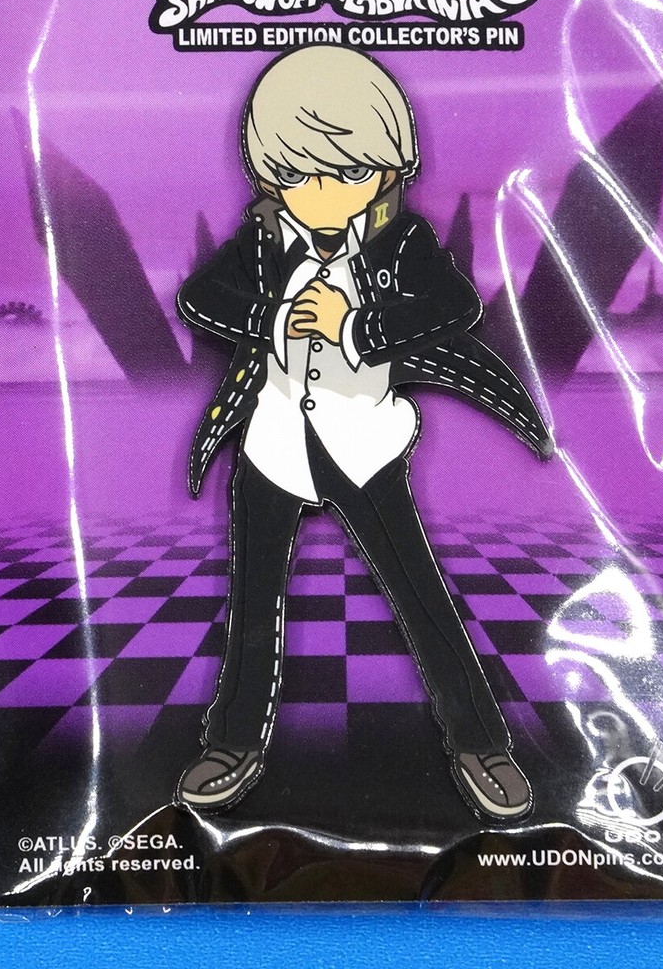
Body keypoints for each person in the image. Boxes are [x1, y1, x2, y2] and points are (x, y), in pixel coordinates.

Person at [175, 46, 552, 821]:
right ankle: (234, 739)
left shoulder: (401, 242)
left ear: (386, 171)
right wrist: (277, 318)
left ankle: (481, 744)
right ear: (271, 173)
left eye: (349, 172)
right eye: (301, 174)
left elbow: (455, 307)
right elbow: (199, 298)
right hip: (273, 444)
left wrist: (357, 326)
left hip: (364, 444)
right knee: (253, 602)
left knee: (421, 595)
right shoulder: (260, 241)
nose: (323, 194)